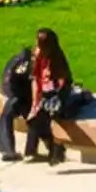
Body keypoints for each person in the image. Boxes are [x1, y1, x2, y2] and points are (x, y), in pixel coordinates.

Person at [25, 28, 71, 165]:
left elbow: (62, 81)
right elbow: (34, 79)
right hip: (44, 91)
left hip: (57, 91)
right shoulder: (37, 56)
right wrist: (35, 102)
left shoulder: (57, 57)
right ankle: (31, 150)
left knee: (54, 115)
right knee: (33, 118)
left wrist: (52, 97)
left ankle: (57, 151)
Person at [0, 46, 33, 162]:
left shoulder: (14, 60)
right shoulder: (28, 64)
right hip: (21, 96)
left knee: (5, 118)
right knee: (34, 120)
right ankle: (30, 150)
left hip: (13, 95)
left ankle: (7, 150)